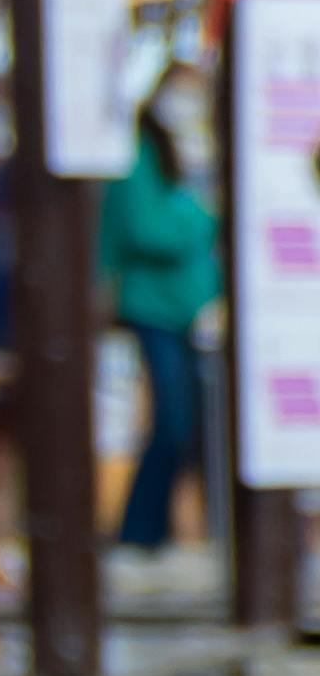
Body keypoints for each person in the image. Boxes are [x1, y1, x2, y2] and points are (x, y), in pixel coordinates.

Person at [111, 115, 223, 558]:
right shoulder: (136, 148)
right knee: (173, 421)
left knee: (185, 423)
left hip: (185, 309)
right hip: (154, 307)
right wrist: (206, 217)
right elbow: (145, 228)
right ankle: (139, 534)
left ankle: (153, 533)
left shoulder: (166, 150)